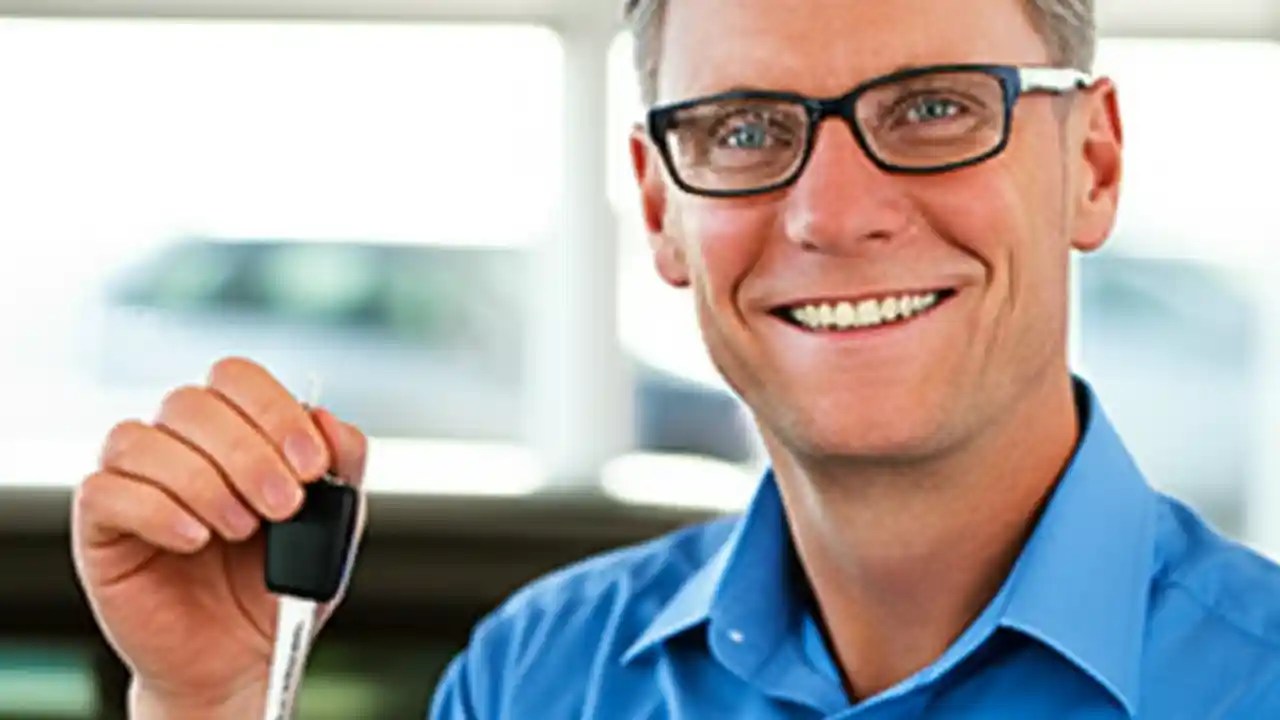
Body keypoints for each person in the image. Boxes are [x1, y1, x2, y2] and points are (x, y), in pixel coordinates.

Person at [71, 0, 1280, 717]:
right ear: (658, 211)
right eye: (744, 130)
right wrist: (222, 706)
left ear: (1093, 164)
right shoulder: (536, 678)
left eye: (932, 108)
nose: (831, 213)